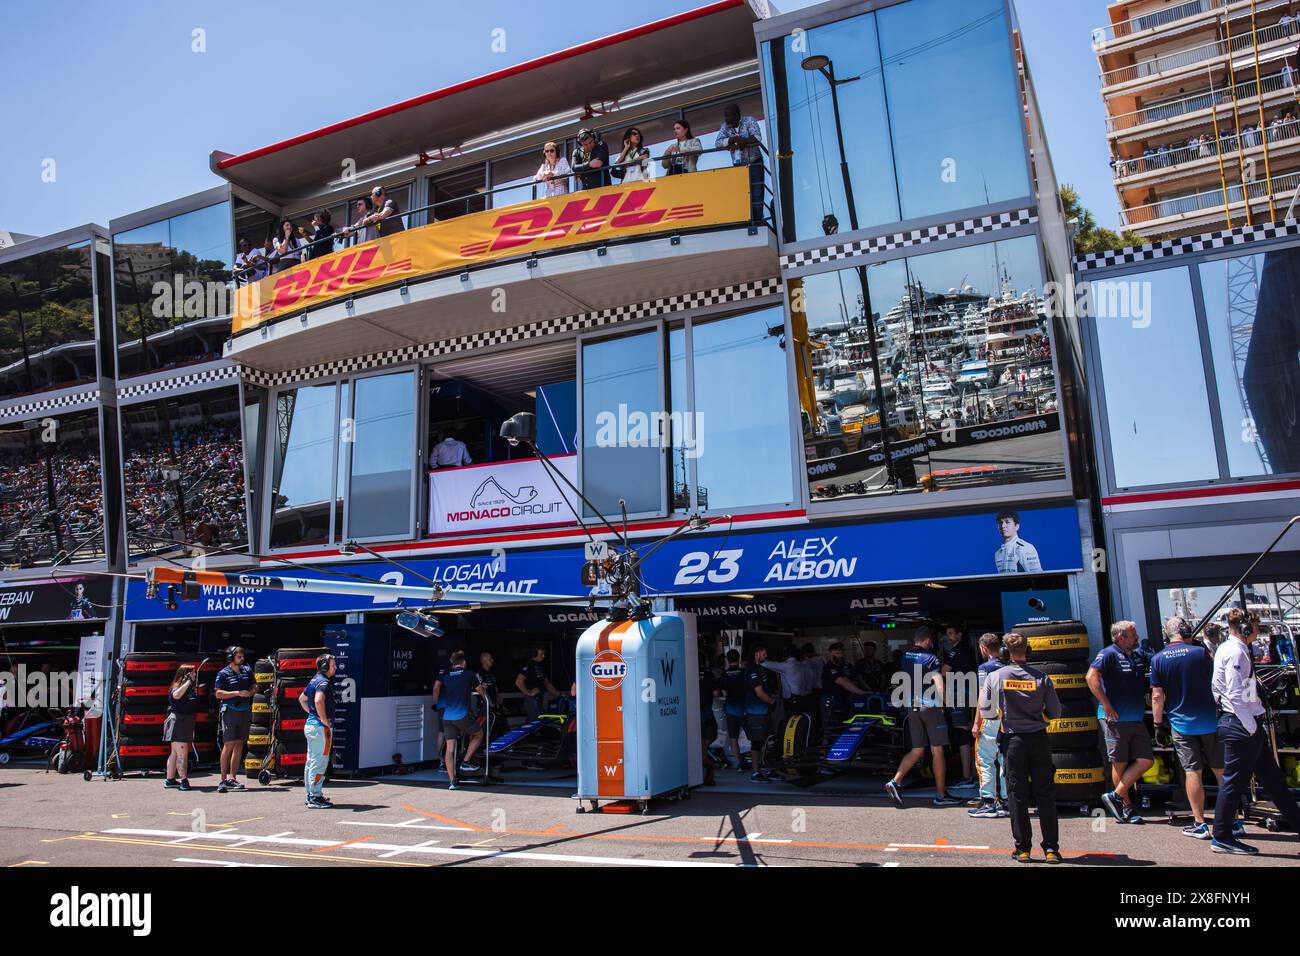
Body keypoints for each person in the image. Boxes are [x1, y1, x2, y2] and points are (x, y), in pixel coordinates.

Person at [1210, 608, 1300, 853]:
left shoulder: (1235, 650)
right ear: (1246, 628)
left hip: (1245, 725)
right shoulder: (1235, 652)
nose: (1258, 632)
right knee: (1233, 783)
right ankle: (1221, 836)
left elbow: (1244, 691)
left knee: (1274, 782)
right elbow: (1234, 694)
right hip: (1241, 726)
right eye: (1257, 627)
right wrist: (1251, 726)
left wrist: (1256, 715)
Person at [980, 632, 1063, 863]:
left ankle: (1023, 849)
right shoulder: (1043, 678)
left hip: (1013, 740)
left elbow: (986, 712)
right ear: (1028, 652)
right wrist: (1038, 716)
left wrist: (1007, 713)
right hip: (1039, 739)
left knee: (1017, 795)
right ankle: (1051, 849)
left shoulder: (995, 677)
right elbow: (1056, 712)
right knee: (1045, 794)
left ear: (1005, 652)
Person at [1151, 616, 1236, 840]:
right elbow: (1218, 682)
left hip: (1181, 724)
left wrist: (1157, 725)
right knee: (1221, 770)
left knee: (1192, 772)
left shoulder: (1158, 659)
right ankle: (1233, 821)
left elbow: (1157, 696)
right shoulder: (1200, 653)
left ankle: (1200, 823)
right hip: (1209, 720)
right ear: (1186, 631)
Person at [885, 626, 962, 808]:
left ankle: (894, 782)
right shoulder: (931, 657)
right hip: (930, 706)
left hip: (913, 706)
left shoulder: (905, 656)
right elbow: (938, 681)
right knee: (937, 751)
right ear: (928, 641)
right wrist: (945, 703)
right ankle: (941, 795)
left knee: (917, 750)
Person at [1090, 621, 1154, 824]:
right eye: (1133, 635)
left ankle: (1115, 796)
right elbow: (1091, 677)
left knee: (1146, 760)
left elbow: (1157, 661)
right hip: (1114, 719)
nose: (1136, 638)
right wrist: (1106, 705)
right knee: (1120, 763)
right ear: (1120, 637)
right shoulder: (1108, 653)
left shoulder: (1136, 655)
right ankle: (1126, 808)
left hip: (1136, 717)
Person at [969, 633, 1009, 819]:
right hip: (1008, 719)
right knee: (1004, 760)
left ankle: (988, 803)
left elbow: (983, 696)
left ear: (984, 648)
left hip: (990, 718)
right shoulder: (1009, 666)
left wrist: (976, 722)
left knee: (984, 759)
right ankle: (1006, 802)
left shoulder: (985, 668)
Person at [434, 650, 486, 791]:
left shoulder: (446, 675)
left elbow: (439, 689)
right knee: (479, 734)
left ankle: (452, 781)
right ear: (463, 662)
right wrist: (482, 688)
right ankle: (466, 761)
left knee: (450, 749)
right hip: (462, 715)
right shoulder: (469, 674)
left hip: (447, 716)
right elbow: (481, 692)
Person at [941, 624, 979, 788]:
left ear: (959, 635)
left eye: (951, 633)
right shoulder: (968, 650)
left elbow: (943, 672)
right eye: (947, 633)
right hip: (969, 694)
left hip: (960, 695)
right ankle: (973, 775)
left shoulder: (955, 651)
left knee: (962, 735)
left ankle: (967, 778)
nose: (949, 636)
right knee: (969, 735)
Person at [213, 646, 253, 794]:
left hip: (244, 710)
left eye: (243, 656)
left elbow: (254, 685)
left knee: (239, 744)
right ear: (231, 658)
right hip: (230, 710)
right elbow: (218, 694)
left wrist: (251, 691)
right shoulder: (223, 673)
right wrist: (237, 693)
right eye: (239, 657)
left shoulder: (247, 671)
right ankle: (222, 779)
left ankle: (233, 778)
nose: (242, 659)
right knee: (228, 743)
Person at [715, 103, 764, 220]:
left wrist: (743, 141)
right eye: (725, 116)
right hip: (738, 166)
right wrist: (731, 140)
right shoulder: (725, 126)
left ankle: (757, 220)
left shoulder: (749, 121)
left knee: (757, 193)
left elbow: (757, 137)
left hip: (755, 162)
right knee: (742, 194)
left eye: (729, 116)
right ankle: (746, 219)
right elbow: (717, 143)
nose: (726, 119)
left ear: (738, 115)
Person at [299, 654, 336, 810]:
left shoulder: (314, 679)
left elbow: (302, 698)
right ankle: (315, 796)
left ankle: (312, 794)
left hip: (311, 726)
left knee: (311, 761)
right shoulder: (323, 682)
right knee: (319, 761)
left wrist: (313, 715)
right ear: (325, 666)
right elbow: (318, 700)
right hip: (319, 729)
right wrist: (323, 720)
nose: (336, 667)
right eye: (333, 664)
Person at [744, 643, 779, 782]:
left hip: (765, 711)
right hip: (756, 712)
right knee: (757, 742)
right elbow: (759, 693)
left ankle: (768, 769)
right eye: (764, 653)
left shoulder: (761, 668)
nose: (766, 656)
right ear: (757, 653)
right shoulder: (752, 670)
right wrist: (772, 701)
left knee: (769, 741)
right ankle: (755, 773)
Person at [163, 664, 200, 792]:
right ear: (186, 675)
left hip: (187, 721)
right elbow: (176, 695)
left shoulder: (190, 688)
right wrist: (188, 681)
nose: (195, 675)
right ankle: (184, 780)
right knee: (182, 753)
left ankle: (170, 779)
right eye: (193, 673)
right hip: (179, 721)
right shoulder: (177, 687)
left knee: (175, 752)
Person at [821, 641, 869, 726]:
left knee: (847, 725)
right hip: (831, 701)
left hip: (847, 700)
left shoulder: (847, 665)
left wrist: (854, 691)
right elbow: (844, 683)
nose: (840, 655)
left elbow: (853, 680)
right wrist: (862, 693)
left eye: (841, 652)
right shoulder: (828, 667)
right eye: (837, 653)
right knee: (831, 727)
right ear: (830, 654)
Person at [761, 643, 814, 721]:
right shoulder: (802, 663)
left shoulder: (788, 665)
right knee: (799, 720)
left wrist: (758, 660)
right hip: (803, 697)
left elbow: (770, 665)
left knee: (791, 721)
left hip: (792, 698)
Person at [721, 649, 748, 771]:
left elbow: (720, 692)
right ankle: (757, 762)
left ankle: (739, 765)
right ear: (739, 658)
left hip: (731, 709)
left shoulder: (724, 674)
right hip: (745, 709)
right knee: (753, 737)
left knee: (733, 738)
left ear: (727, 659)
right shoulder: (744, 673)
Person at [516, 646, 559, 721]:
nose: (543, 656)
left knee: (537, 723)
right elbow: (518, 681)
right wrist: (528, 693)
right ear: (535, 654)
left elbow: (547, 684)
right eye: (541, 654)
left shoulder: (541, 667)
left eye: (544, 654)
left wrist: (559, 695)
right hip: (532, 700)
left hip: (540, 699)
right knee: (535, 723)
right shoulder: (529, 665)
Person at [699, 651, 720, 786]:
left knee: (701, 745)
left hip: (692, 714)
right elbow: (716, 693)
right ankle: (709, 767)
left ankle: (708, 767)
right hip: (706, 713)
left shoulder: (684, 672)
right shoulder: (709, 675)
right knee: (704, 744)